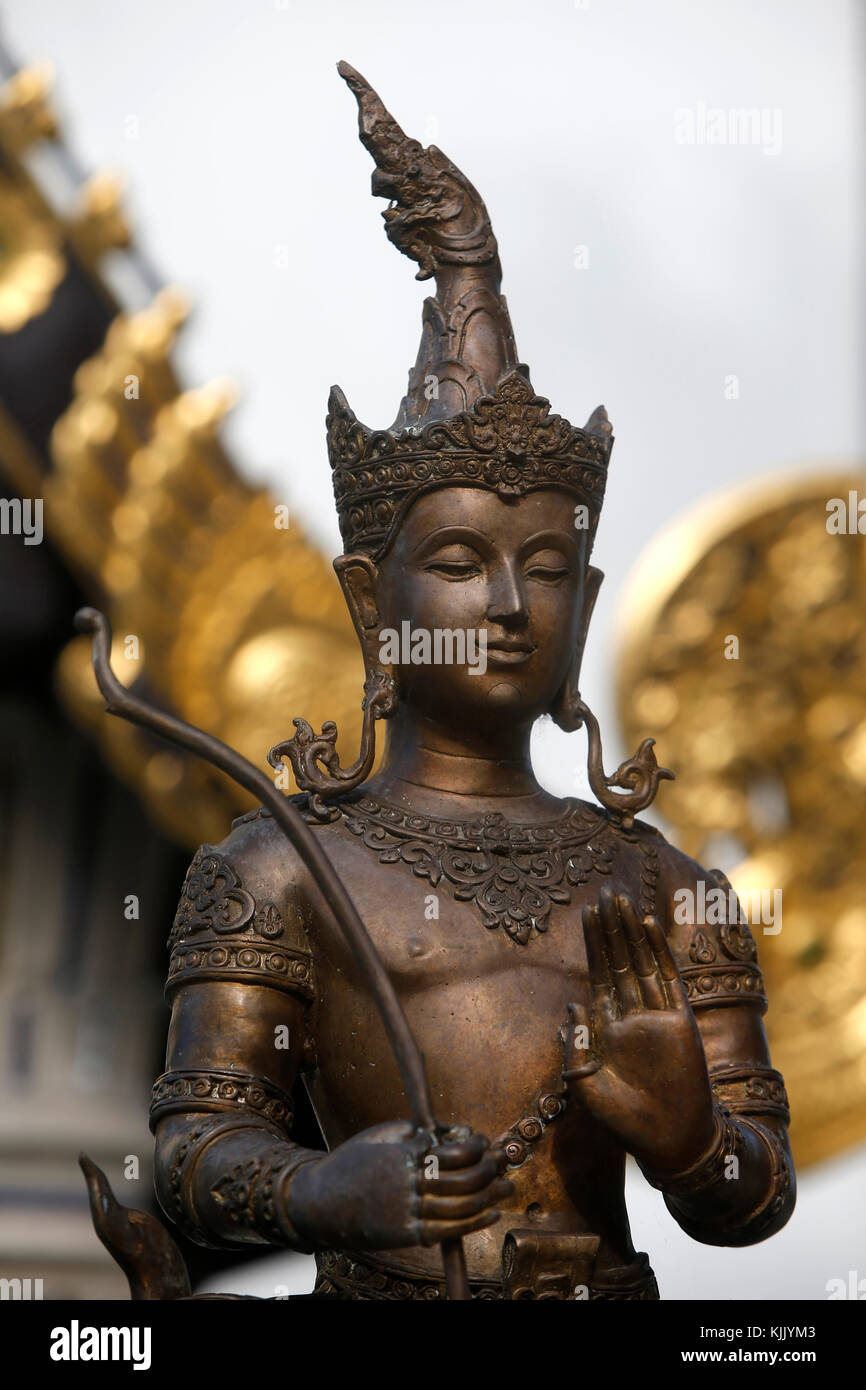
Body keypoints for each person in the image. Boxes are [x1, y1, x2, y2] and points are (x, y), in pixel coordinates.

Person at [150, 63, 794, 1300]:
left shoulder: (660, 883)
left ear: (586, 605)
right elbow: (191, 1149)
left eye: (546, 569)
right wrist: (317, 1189)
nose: (506, 605)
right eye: (456, 562)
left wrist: (691, 1138)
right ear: (366, 604)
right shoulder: (278, 866)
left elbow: (750, 1197)